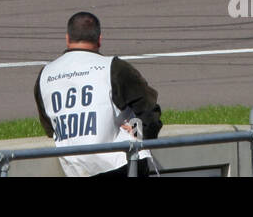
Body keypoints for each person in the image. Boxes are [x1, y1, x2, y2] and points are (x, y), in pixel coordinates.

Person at [34, 11, 162, 178]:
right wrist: (138, 132)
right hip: (122, 164)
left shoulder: (45, 75)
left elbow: (51, 129)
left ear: (67, 39)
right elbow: (150, 115)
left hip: (77, 169)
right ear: (99, 39)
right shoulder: (113, 68)